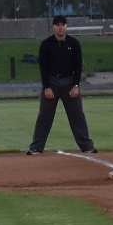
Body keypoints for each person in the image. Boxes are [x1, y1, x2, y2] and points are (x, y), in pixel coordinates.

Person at [26, 15, 97, 155]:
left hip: (69, 84)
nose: (60, 27)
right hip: (51, 84)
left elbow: (78, 66)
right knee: (44, 117)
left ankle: (87, 146)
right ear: (53, 27)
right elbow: (43, 67)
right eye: (57, 25)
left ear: (66, 27)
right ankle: (36, 147)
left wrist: (76, 85)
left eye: (62, 24)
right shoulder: (46, 44)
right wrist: (46, 86)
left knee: (77, 116)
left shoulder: (74, 43)